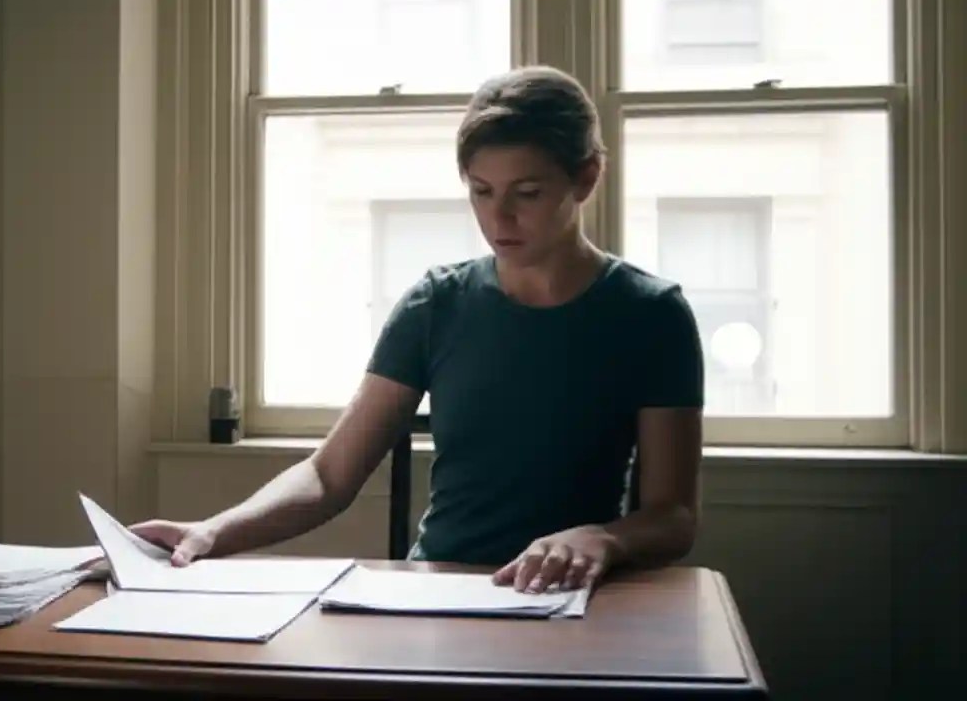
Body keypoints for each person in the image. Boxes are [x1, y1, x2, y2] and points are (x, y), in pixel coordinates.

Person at [131, 65, 704, 594]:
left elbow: (671, 517)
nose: (498, 219)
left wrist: (603, 537)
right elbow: (329, 477)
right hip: (440, 591)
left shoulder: (651, 315)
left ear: (587, 176)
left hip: (574, 601)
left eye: (526, 194)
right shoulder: (438, 304)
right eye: (481, 192)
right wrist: (213, 532)